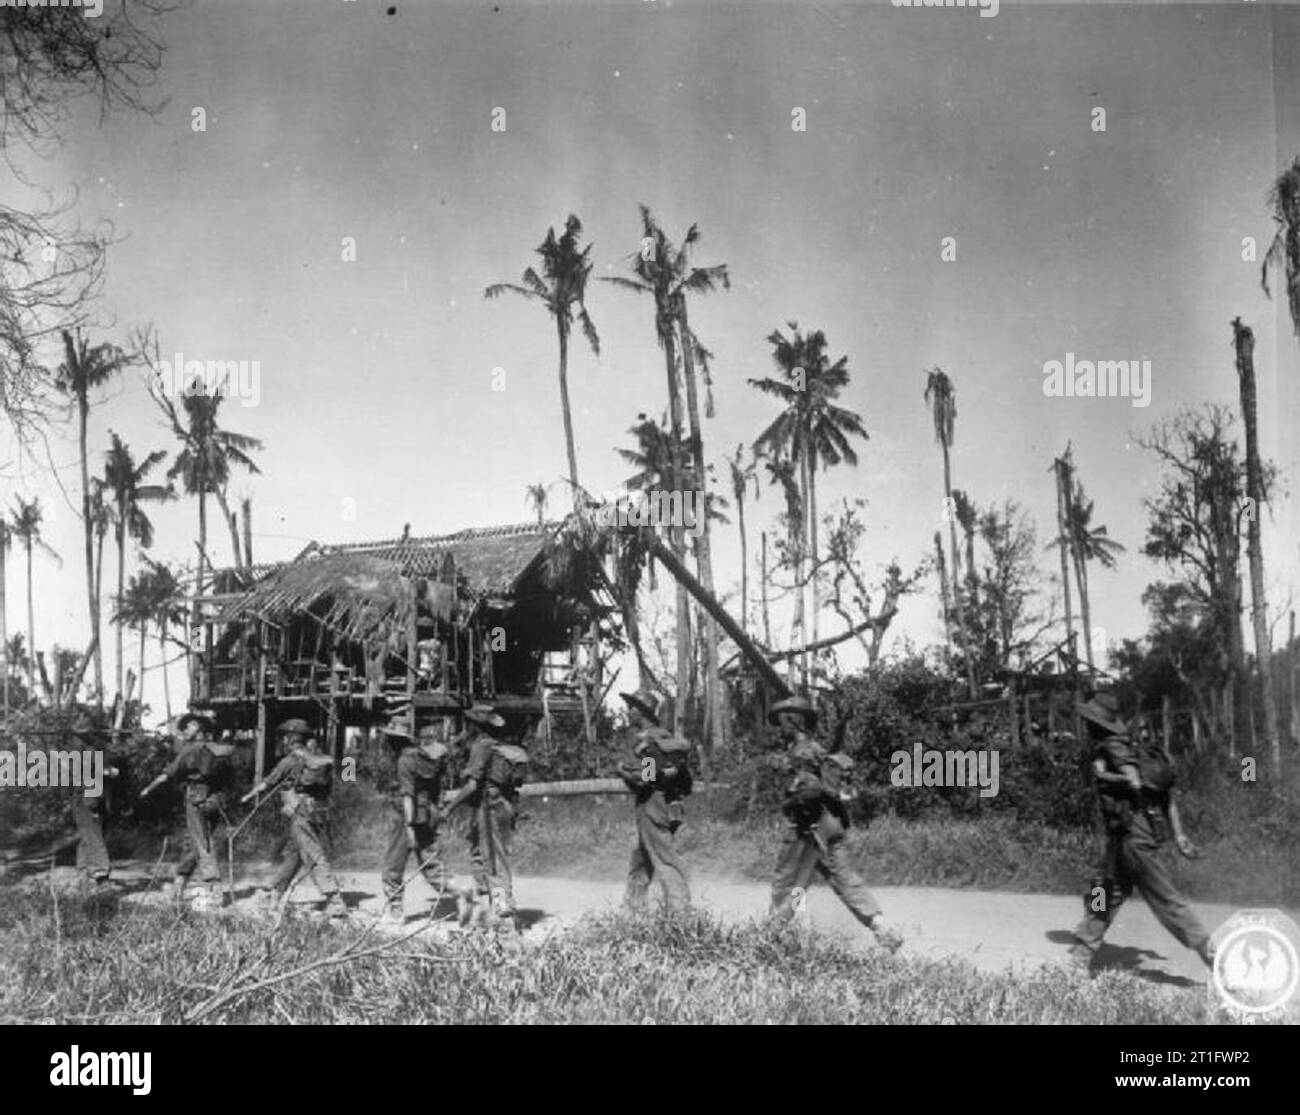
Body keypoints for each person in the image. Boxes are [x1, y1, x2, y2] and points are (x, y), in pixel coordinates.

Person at [1068, 693, 1214, 974]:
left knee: (1165, 899)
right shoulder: (1125, 746)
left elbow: (1134, 782)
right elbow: (1167, 798)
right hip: (1125, 837)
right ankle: (1081, 953)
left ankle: (1212, 951)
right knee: (1105, 893)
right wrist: (1180, 835)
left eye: (1088, 721)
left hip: (1133, 837)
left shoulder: (1113, 747)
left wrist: (1104, 776)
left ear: (1096, 724)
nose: (1085, 726)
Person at [767, 696, 903, 952]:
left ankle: (775, 933)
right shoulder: (819, 749)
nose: (780, 727)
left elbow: (806, 790)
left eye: (782, 720)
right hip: (831, 825)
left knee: (788, 883)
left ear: (793, 720)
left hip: (807, 828)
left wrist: (791, 790)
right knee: (844, 878)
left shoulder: (801, 751)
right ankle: (881, 926)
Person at [241, 719, 347, 918]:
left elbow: (268, 782)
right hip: (320, 812)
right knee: (294, 854)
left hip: (301, 812)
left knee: (312, 853)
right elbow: (348, 774)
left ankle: (335, 900)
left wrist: (248, 796)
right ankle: (275, 895)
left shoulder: (290, 760)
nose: (283, 740)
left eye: (284, 737)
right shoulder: (324, 759)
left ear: (290, 739)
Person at [139, 712, 234, 909]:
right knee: (193, 842)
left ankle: (214, 888)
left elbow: (168, 774)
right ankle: (179, 885)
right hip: (215, 798)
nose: (184, 731)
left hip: (195, 797)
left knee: (202, 843)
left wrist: (148, 789)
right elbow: (229, 778)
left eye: (188, 727)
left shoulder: (189, 750)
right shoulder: (221, 749)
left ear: (198, 728)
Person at [443, 704, 524, 934]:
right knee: (483, 859)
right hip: (503, 807)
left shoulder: (481, 746)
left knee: (494, 866)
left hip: (489, 809)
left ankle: (503, 915)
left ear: (476, 726)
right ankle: (485, 913)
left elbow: (472, 784)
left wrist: (449, 808)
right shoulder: (502, 747)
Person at [378, 719, 463, 926]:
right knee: (430, 863)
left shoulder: (404, 760)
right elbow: (438, 788)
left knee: (393, 865)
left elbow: (407, 795)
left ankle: (395, 911)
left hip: (408, 815)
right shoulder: (427, 758)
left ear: (395, 739)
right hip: (429, 811)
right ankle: (460, 891)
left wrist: (409, 827)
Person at [615, 688, 692, 915]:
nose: (628, 712)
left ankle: (681, 914)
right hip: (657, 804)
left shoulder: (649, 742)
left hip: (652, 805)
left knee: (665, 860)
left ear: (642, 711)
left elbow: (646, 780)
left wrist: (623, 772)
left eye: (632, 708)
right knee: (640, 860)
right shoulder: (662, 737)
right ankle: (631, 910)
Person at [67, 710, 121, 887]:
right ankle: (100, 873)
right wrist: (105, 771)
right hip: (85, 791)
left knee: (90, 834)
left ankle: (84, 874)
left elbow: (111, 757)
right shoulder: (75, 744)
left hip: (99, 792)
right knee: (92, 834)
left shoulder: (94, 743)